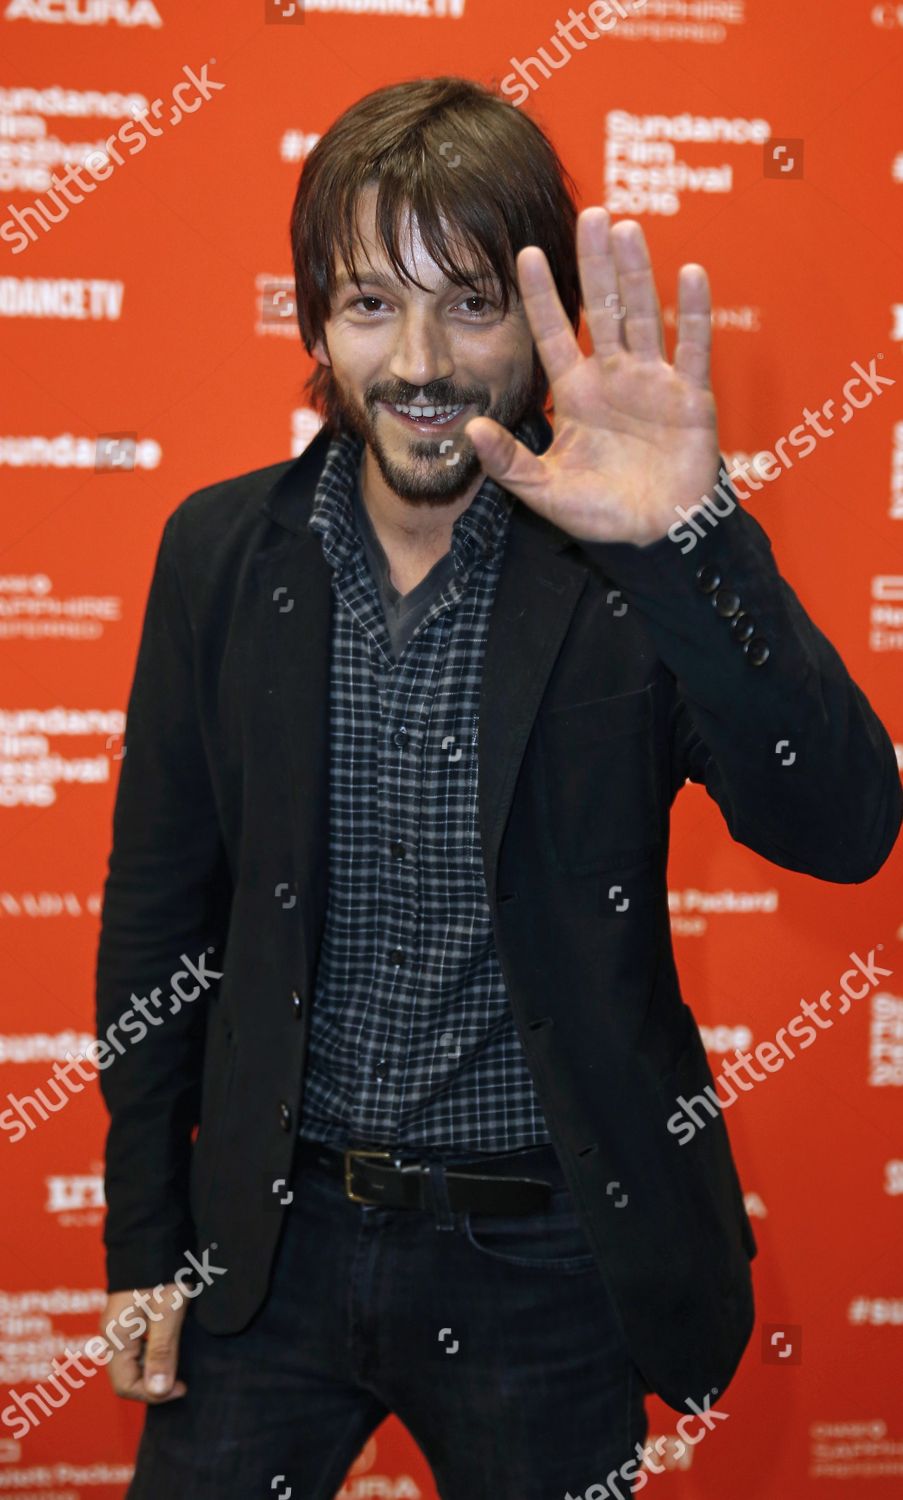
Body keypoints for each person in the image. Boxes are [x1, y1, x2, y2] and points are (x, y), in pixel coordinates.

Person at [94, 74, 902, 1499]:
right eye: (368, 304)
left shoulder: (626, 572)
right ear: (311, 323)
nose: (420, 360)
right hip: (269, 1253)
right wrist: (148, 1243)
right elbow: (160, 921)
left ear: (540, 325)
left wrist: (694, 543)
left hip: (547, 1260)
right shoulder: (218, 555)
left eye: (469, 303)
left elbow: (844, 828)